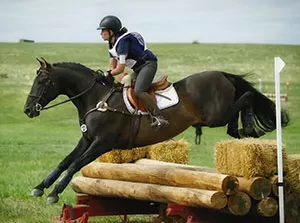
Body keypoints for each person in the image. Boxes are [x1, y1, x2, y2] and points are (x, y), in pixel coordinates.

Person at [97, 15, 169, 128]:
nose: (101, 33)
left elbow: (120, 69)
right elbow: (112, 65)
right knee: (122, 87)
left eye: (103, 30)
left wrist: (108, 74)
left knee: (139, 91)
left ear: (111, 31)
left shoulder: (122, 43)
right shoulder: (112, 43)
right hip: (138, 68)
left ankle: (159, 117)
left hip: (148, 65)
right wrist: (106, 75)